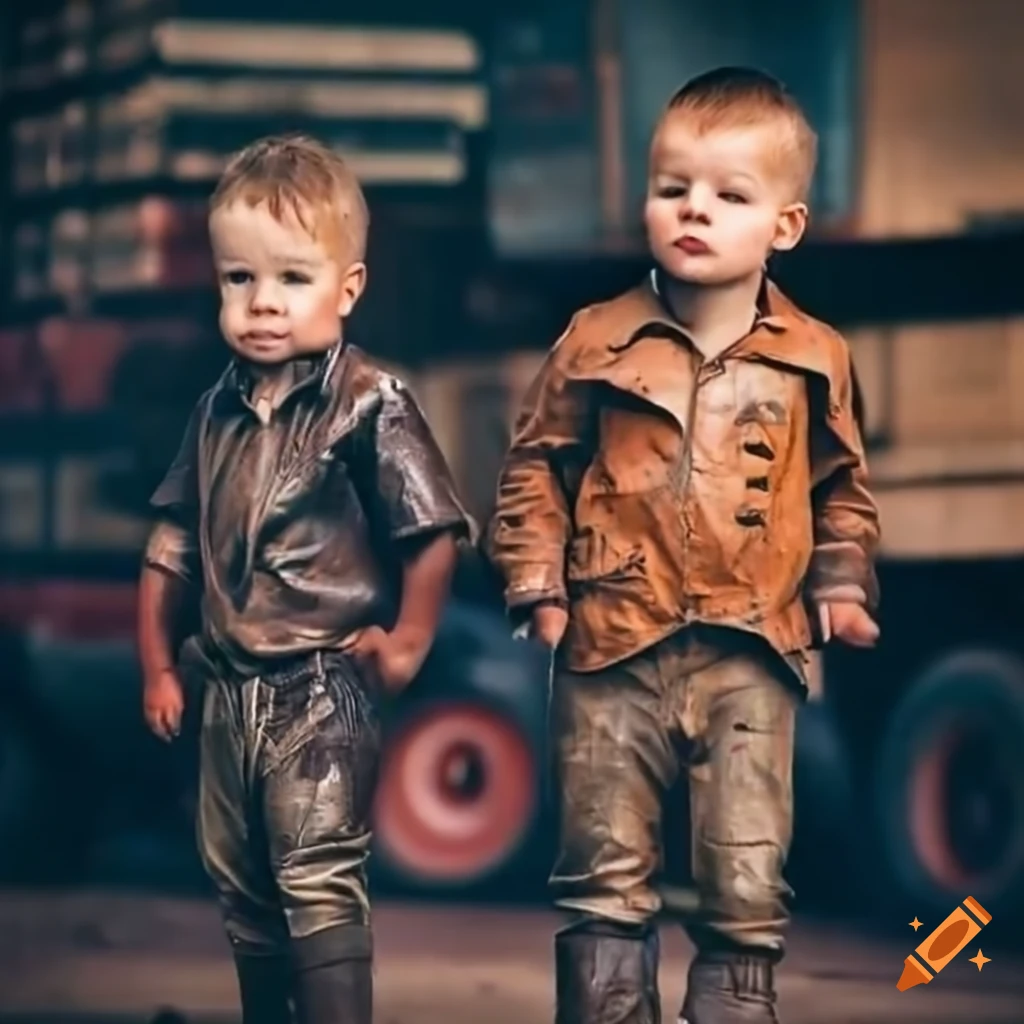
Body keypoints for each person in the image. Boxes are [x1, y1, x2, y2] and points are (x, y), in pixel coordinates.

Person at [485, 67, 880, 1024]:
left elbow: (841, 488)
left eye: (729, 195)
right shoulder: (595, 340)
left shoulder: (815, 356)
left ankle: (735, 1007)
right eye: (673, 188)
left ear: (785, 225)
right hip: (612, 644)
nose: (694, 209)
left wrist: (841, 584)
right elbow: (535, 467)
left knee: (746, 881)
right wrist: (537, 583)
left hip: (753, 650)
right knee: (601, 873)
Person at [138, 134, 472, 1024]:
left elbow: (431, 530)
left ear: (347, 288)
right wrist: (160, 665)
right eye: (238, 279)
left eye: (293, 278)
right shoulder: (214, 412)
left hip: (320, 684)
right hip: (227, 686)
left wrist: (408, 640)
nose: (263, 303)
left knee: (317, 870)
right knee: (240, 875)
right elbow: (171, 545)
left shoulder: (369, 403)